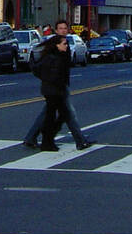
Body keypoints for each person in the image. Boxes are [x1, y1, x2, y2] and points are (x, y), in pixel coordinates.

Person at [22, 19, 92, 151]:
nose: (63, 30)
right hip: (56, 88)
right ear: (56, 30)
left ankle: (31, 138)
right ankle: (79, 140)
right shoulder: (54, 48)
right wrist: (50, 81)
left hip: (59, 87)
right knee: (68, 113)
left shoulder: (64, 46)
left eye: (65, 28)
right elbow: (44, 68)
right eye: (60, 28)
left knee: (48, 114)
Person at [35, 34, 73, 151]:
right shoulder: (52, 58)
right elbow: (41, 71)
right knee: (57, 115)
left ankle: (47, 138)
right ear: (57, 45)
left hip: (55, 90)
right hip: (53, 91)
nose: (67, 46)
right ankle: (47, 139)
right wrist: (52, 81)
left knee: (56, 114)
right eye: (64, 44)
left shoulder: (60, 56)